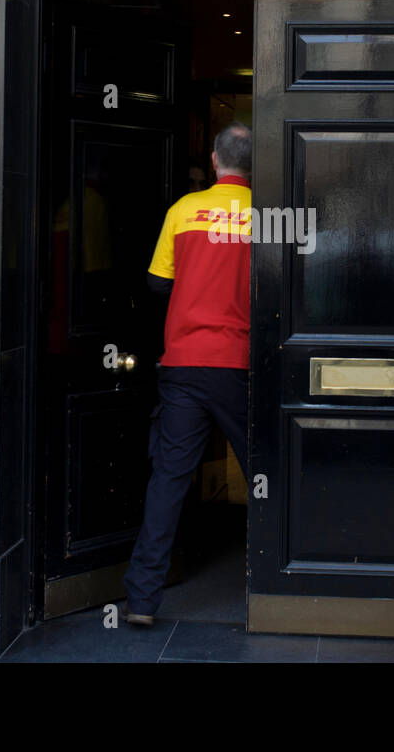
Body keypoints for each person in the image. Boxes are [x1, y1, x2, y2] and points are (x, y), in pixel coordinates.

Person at [122, 122, 252, 626]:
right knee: (267, 474)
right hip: (238, 365)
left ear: (216, 161)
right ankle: (283, 585)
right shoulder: (264, 218)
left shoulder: (182, 210)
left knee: (169, 480)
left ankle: (141, 601)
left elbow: (158, 283)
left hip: (183, 363)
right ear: (249, 165)